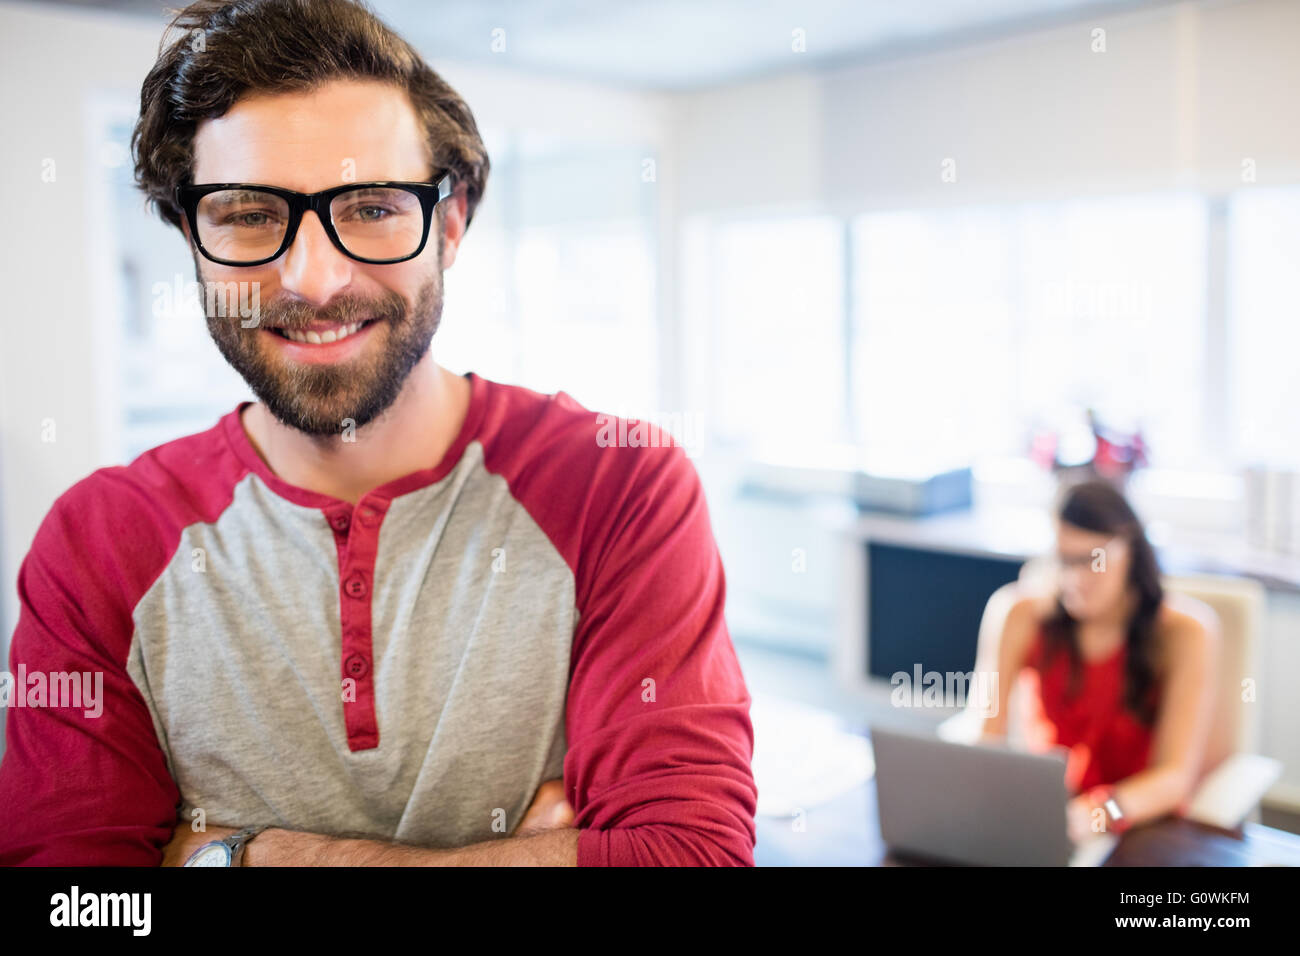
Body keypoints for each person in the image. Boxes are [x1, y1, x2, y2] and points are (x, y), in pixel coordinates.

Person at [0, 0, 756, 866]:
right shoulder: (95, 544)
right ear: (189, 236)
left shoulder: (619, 486)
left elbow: (693, 856)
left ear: (452, 223)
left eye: (370, 207)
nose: (314, 278)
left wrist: (245, 857)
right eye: (247, 213)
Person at [981, 478, 1218, 845]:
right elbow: (986, 738)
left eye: (1093, 561)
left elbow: (1174, 779)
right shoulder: (1020, 614)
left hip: (1141, 826)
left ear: (1133, 552)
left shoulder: (1184, 634)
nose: (1075, 578)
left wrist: (1098, 815)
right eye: (1064, 560)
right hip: (1050, 818)